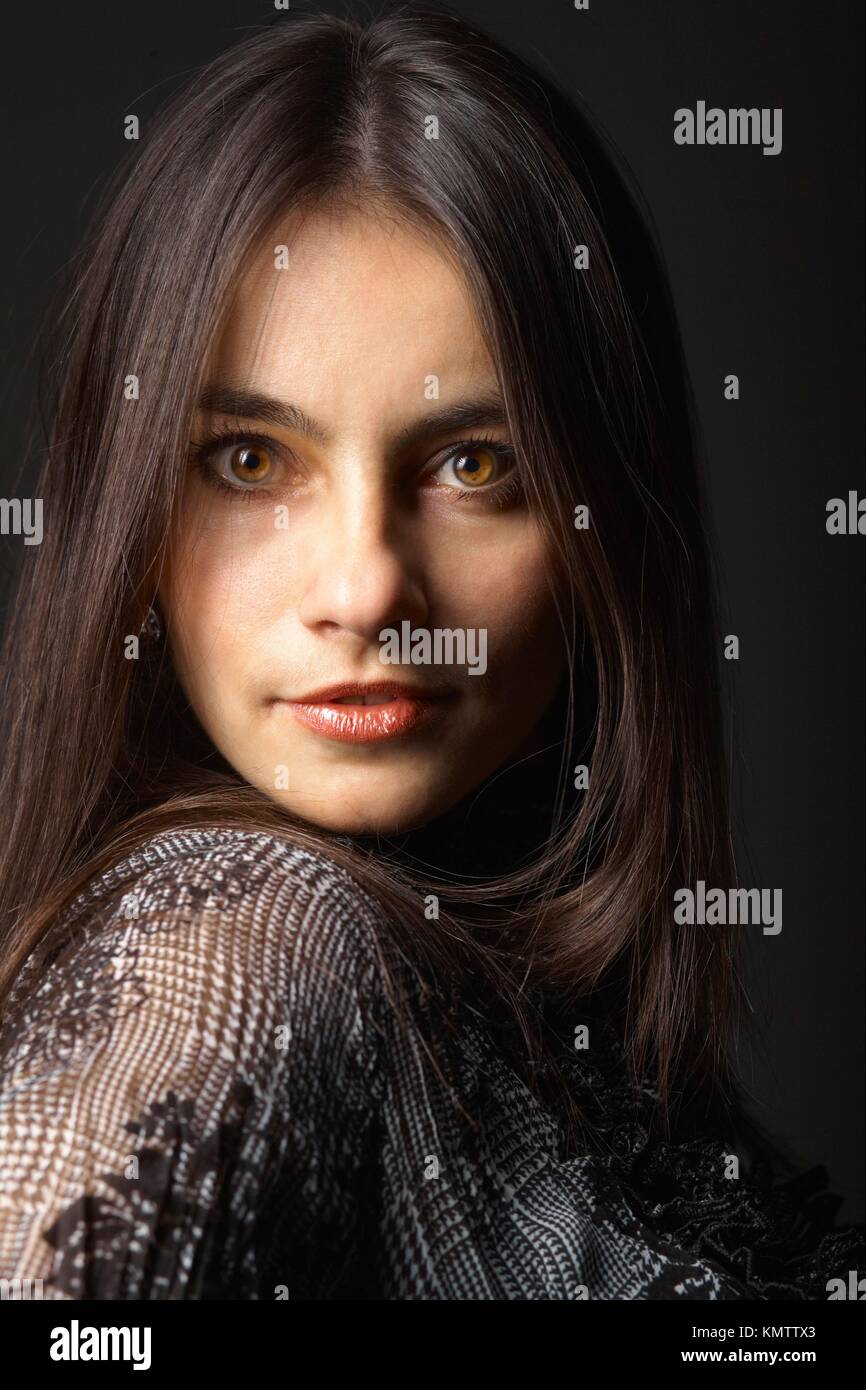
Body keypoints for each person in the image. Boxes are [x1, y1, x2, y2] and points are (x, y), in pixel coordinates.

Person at [0, 4, 861, 1299]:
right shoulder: (240, 940)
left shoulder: (562, 1029)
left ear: (603, 518)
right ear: (129, 514)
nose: (364, 588)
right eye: (249, 460)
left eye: (472, 464)